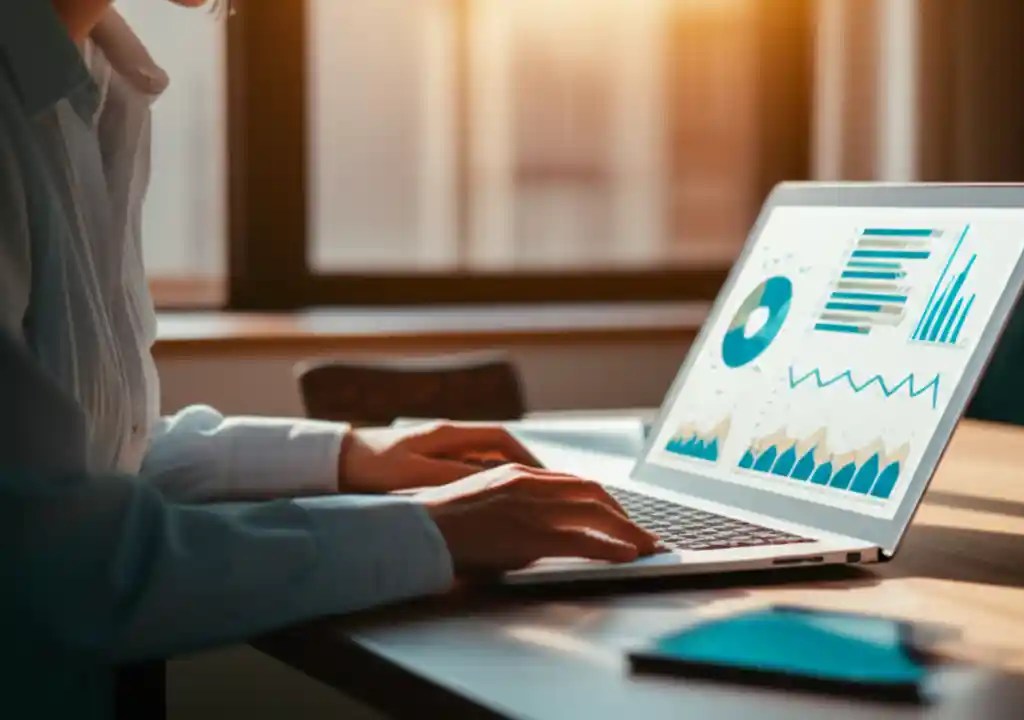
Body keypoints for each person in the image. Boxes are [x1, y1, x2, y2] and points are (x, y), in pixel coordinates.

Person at [0, 1, 658, 714]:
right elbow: (60, 567)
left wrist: (352, 457)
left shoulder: (88, 79)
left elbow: (89, 465)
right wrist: (428, 532)